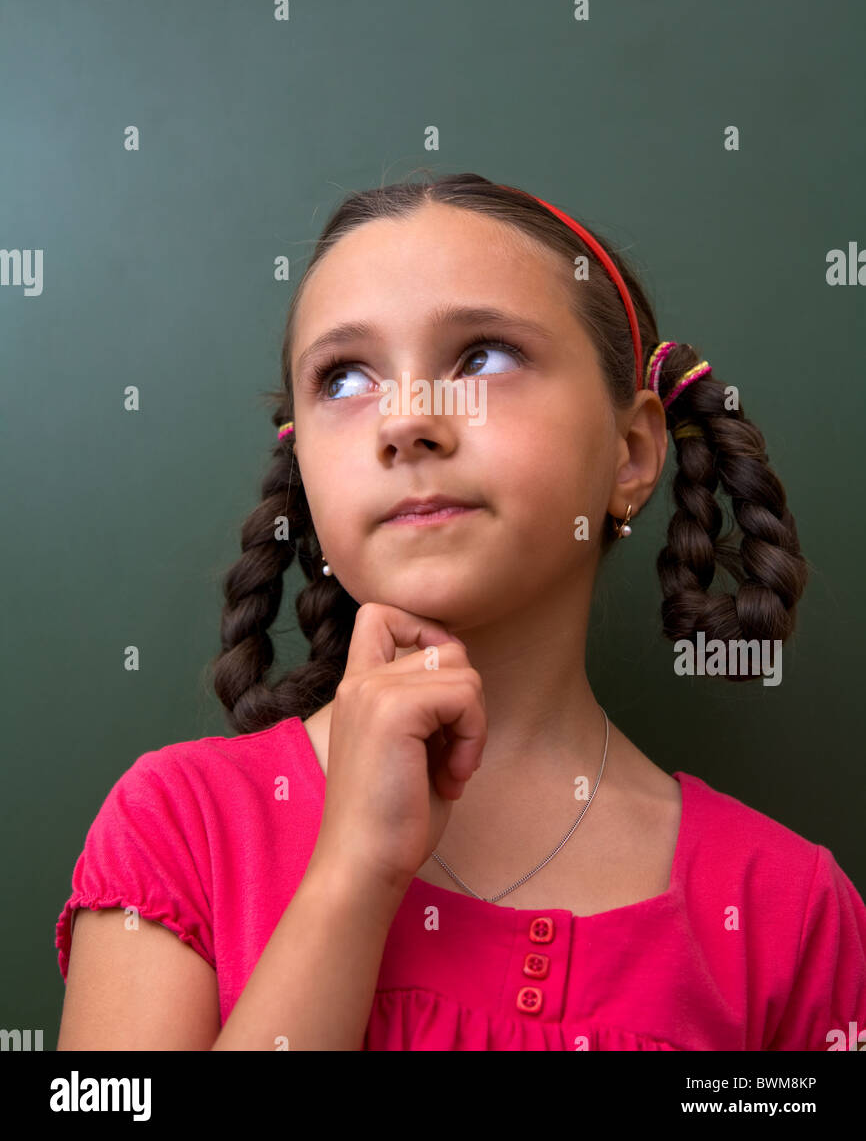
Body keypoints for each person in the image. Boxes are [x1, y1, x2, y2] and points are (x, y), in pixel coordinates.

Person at [55, 172, 866, 1051]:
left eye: (483, 358)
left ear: (631, 452)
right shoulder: (178, 830)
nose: (406, 422)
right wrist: (354, 874)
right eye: (345, 376)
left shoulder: (790, 911)